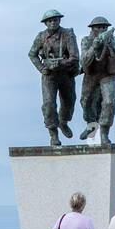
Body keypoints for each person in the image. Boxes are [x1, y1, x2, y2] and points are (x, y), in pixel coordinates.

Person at [28, 8, 79, 147]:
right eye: (50, 20)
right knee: (48, 105)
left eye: (55, 20)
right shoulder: (41, 37)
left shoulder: (68, 34)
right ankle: (53, 134)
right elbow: (32, 54)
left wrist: (61, 62)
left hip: (65, 74)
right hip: (49, 75)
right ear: (45, 23)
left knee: (69, 103)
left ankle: (63, 121)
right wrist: (42, 68)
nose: (53, 22)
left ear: (59, 20)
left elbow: (75, 57)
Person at [79, 16, 115, 146]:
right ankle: (91, 125)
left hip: (109, 74)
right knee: (86, 102)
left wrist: (110, 44)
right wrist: (94, 46)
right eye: (98, 27)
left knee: (109, 103)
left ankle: (104, 132)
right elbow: (84, 61)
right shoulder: (86, 40)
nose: (101, 29)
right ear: (92, 29)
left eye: (104, 27)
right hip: (91, 74)